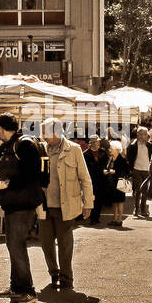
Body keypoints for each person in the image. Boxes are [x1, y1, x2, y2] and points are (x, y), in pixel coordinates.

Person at [0, 113, 45, 303]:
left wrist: (7, 184)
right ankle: (16, 286)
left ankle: (28, 291)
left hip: (23, 205)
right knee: (13, 246)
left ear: (0, 128)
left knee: (17, 246)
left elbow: (32, 175)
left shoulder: (24, 144)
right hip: (11, 203)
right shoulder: (6, 147)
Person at [38, 118, 94, 292]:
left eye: (45, 132)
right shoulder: (41, 150)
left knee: (65, 243)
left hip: (66, 205)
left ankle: (66, 276)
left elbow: (85, 178)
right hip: (45, 206)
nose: (43, 136)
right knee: (46, 242)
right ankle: (53, 272)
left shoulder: (74, 149)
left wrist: (88, 203)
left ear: (56, 132)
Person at [127, 126, 152, 219]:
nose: (144, 136)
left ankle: (143, 210)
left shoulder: (150, 145)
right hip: (136, 169)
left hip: (146, 170)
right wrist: (131, 169)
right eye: (142, 134)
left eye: (145, 134)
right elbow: (129, 158)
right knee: (138, 190)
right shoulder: (133, 145)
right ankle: (136, 209)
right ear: (138, 135)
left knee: (145, 191)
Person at [105, 140, 131, 228]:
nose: (109, 150)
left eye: (111, 148)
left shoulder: (122, 159)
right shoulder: (111, 158)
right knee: (114, 202)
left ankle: (119, 220)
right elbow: (108, 167)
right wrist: (106, 171)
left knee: (120, 202)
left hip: (120, 182)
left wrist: (115, 171)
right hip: (112, 183)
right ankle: (114, 219)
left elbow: (127, 172)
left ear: (116, 149)